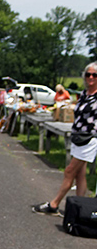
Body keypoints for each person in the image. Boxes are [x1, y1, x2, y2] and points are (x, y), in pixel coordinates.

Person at [33, 62, 97, 215]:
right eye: (88, 74)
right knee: (80, 174)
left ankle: (54, 204)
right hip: (78, 137)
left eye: (95, 75)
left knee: (69, 171)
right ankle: (81, 208)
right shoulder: (84, 94)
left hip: (89, 139)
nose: (91, 77)